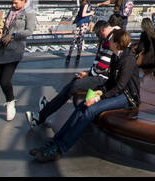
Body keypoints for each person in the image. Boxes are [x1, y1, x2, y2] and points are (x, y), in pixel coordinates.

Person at [32, 29, 140, 162]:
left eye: (111, 40)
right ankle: (56, 141)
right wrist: (100, 91)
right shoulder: (115, 56)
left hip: (127, 97)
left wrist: (98, 97)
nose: (109, 42)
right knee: (82, 106)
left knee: (91, 110)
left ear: (116, 44)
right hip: (115, 91)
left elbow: (120, 87)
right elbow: (112, 81)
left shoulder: (128, 59)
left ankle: (61, 148)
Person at [28, 20, 116, 129]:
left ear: (103, 30)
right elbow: (100, 64)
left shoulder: (110, 41)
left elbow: (102, 65)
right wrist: (88, 73)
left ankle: (41, 116)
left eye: (98, 35)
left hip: (101, 79)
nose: (98, 38)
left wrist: (88, 73)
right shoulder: (110, 38)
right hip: (99, 76)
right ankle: (47, 109)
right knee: (73, 84)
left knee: (73, 87)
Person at [65, 0, 95, 66]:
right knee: (80, 39)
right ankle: (78, 54)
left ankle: (70, 54)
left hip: (79, 22)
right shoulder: (86, 4)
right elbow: (83, 14)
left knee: (75, 38)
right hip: (84, 23)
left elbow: (80, 14)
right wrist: (90, 13)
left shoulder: (83, 3)